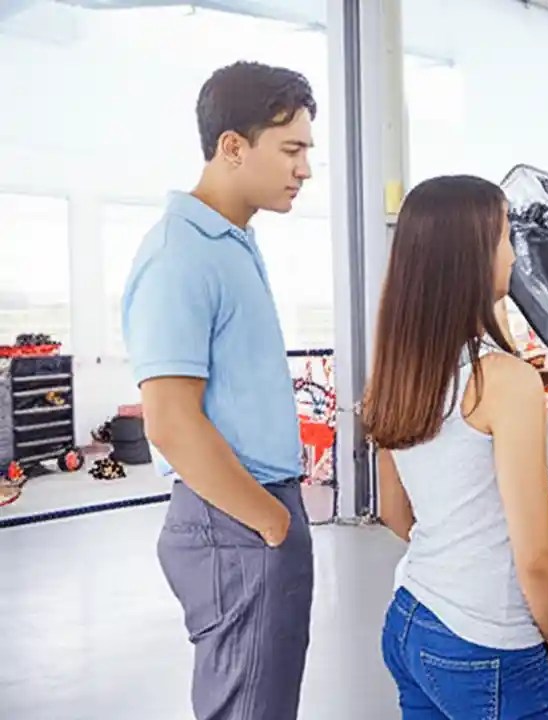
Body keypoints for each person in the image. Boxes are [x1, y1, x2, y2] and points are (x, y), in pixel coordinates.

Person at [122, 61, 318, 720]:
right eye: (291, 149)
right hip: (236, 518)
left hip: (252, 515)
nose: (305, 169)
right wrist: (270, 522)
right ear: (233, 146)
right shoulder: (181, 252)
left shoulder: (233, 242)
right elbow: (171, 421)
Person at [361, 175, 548, 719]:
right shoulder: (505, 382)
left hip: (413, 617)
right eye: (505, 236)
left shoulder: (399, 372)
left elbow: (394, 512)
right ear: (473, 255)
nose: (513, 252)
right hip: (488, 648)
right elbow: (537, 558)